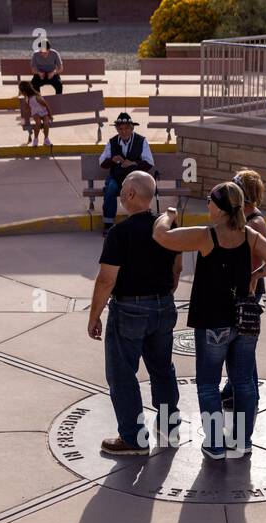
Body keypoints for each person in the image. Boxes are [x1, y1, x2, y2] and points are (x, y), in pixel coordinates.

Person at [153, 182, 266, 458]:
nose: (207, 204)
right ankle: (242, 441)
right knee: (244, 383)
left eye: (210, 200)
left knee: (209, 385)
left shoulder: (206, 236)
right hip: (244, 322)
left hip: (213, 322)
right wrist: (255, 276)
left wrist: (168, 214)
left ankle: (214, 444)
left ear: (220, 207)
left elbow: (162, 237)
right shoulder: (248, 234)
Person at [87, 170, 182, 456]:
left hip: (129, 309)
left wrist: (94, 315)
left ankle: (132, 437)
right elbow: (177, 269)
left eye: (122, 191)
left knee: (122, 373)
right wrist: (162, 295)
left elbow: (106, 280)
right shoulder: (168, 229)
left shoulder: (120, 233)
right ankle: (169, 426)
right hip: (164, 306)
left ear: (130, 194)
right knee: (162, 369)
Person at [221, 168, 266, 410]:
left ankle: (250, 394)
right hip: (235, 289)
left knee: (243, 347)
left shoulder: (255, 222)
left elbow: (255, 262)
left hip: (246, 292)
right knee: (234, 345)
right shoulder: (239, 217)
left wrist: (246, 286)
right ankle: (231, 389)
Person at [98, 112, 152, 236]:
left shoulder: (141, 141)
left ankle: (138, 224)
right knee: (111, 188)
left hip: (134, 179)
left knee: (137, 191)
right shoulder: (112, 142)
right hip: (116, 178)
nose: (123, 132)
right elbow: (102, 162)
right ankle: (108, 223)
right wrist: (112, 160)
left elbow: (149, 163)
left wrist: (133, 163)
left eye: (127, 128)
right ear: (117, 129)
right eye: (120, 129)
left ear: (132, 128)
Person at [17, 80, 51, 147]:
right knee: (38, 123)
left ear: (25, 92)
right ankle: (36, 139)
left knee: (46, 123)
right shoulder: (27, 98)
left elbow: (46, 105)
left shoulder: (37, 97)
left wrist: (50, 115)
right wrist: (26, 112)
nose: (20, 93)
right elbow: (27, 107)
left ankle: (46, 139)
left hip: (44, 112)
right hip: (36, 113)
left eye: (21, 92)